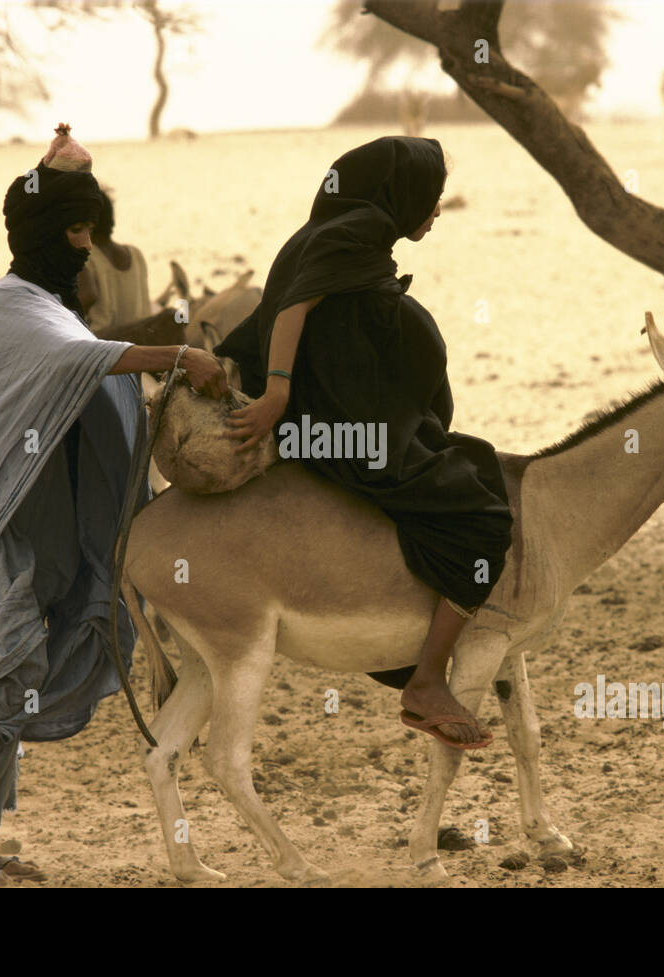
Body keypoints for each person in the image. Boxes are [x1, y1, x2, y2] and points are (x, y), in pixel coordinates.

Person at [0, 126, 226, 885]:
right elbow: (80, 358)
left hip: (13, 515)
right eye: (79, 231)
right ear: (52, 235)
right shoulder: (11, 312)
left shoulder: (25, 310)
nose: (88, 249)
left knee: (12, 670)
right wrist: (182, 356)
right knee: (9, 664)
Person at [217, 136, 512, 751]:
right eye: (430, 201)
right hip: (338, 427)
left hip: (351, 414)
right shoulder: (358, 227)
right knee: (482, 519)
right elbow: (295, 305)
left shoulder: (343, 226)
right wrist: (274, 396)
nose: (434, 213)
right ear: (400, 195)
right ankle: (426, 681)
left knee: (474, 457)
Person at [77, 188, 153, 330]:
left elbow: (86, 298)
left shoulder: (85, 257)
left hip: (107, 345)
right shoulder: (136, 254)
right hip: (142, 342)